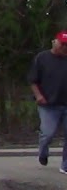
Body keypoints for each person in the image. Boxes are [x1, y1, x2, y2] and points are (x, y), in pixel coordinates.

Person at [28, 30, 67, 172]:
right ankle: (43, 152)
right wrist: (39, 96)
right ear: (55, 42)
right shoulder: (42, 58)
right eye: (62, 44)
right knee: (48, 133)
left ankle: (65, 165)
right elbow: (33, 80)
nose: (65, 48)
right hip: (48, 104)